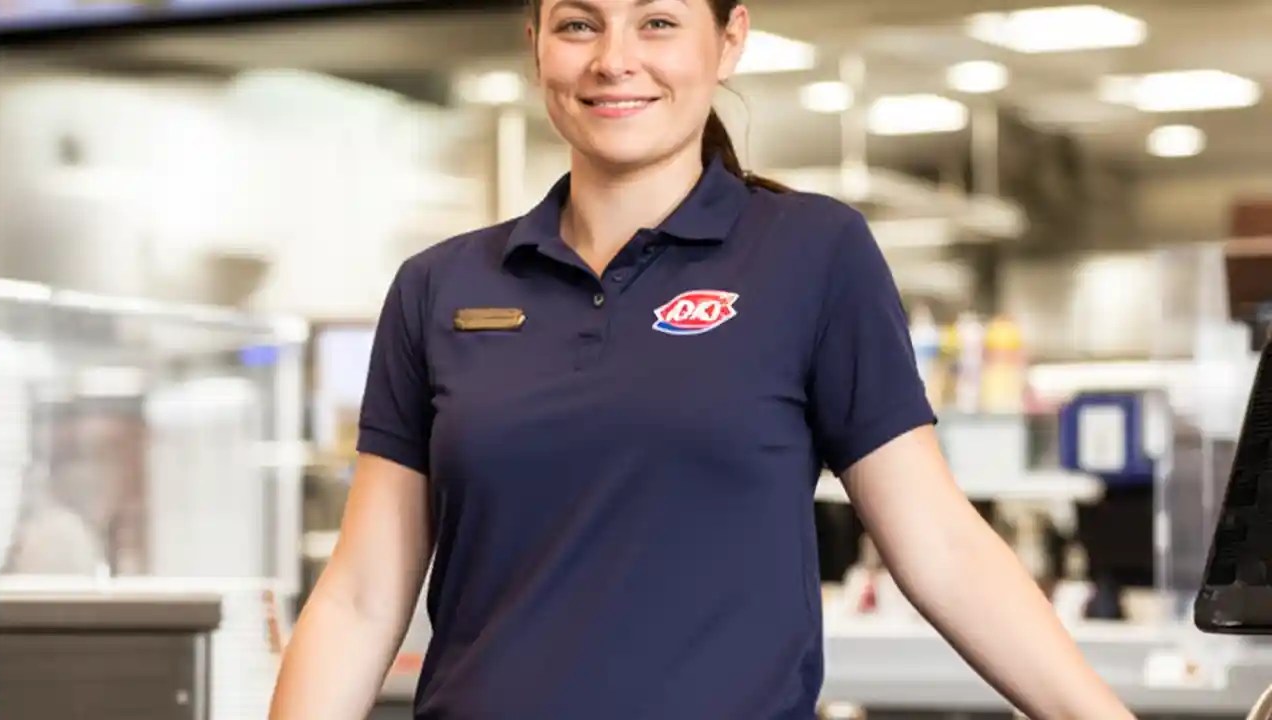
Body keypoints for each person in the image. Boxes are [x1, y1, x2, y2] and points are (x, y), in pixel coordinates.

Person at [269, 1, 1138, 718]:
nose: (614, 59)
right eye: (578, 25)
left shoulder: (811, 255)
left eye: (657, 22)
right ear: (535, 45)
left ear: (729, 40)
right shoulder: (439, 286)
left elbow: (940, 544)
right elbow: (361, 597)